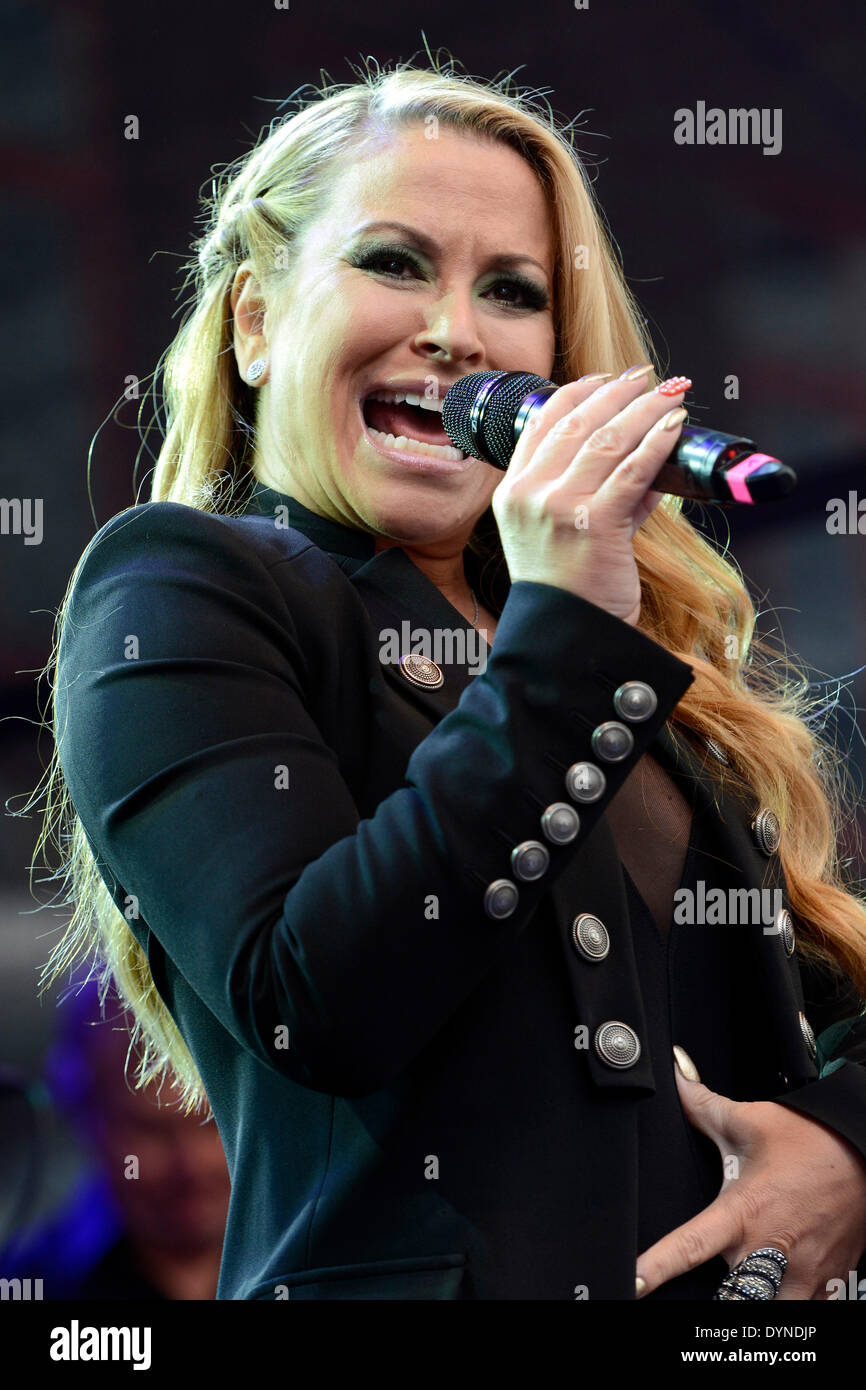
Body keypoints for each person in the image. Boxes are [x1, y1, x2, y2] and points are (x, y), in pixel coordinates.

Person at [32, 56, 866, 1301]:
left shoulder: (616, 658)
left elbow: (807, 1007)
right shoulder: (180, 589)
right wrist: (563, 629)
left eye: (511, 290)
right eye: (392, 262)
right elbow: (319, 1000)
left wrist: (846, 1149)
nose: (454, 329)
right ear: (256, 321)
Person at [0, 976, 230, 1299]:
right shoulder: (25, 1289)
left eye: (212, 1124)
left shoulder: (315, 1272)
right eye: (150, 1129)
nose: (191, 1164)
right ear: (86, 1115)